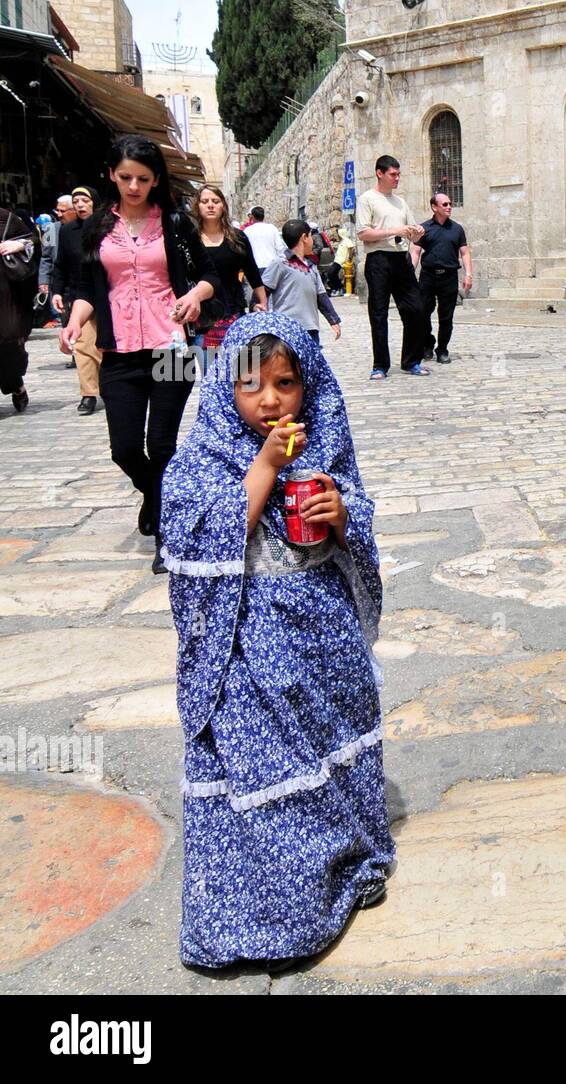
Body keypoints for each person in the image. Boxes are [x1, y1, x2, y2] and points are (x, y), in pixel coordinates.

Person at [160, 312, 394, 972]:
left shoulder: (325, 438)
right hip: (246, 638)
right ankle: (270, 910)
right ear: (224, 391)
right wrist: (266, 466)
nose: (269, 400)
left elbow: (359, 509)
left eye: (286, 383)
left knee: (330, 742)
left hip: (321, 628)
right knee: (265, 763)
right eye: (250, 386)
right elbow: (194, 534)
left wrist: (342, 513)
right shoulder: (203, 454)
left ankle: (348, 861)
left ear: (308, 384)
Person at [61, 135, 219, 574]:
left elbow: (208, 275)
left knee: (161, 444)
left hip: (171, 347)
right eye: (126, 177)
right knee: (125, 448)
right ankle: (155, 496)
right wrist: (75, 321)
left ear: (155, 180)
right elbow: (88, 289)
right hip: (119, 351)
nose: (133, 186)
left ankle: (166, 538)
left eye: (143, 179)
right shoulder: (97, 229)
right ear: (112, 175)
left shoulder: (174, 224)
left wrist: (195, 297)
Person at [356, 155, 429, 378]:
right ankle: (380, 365)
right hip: (378, 259)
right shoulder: (368, 199)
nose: (397, 178)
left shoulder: (400, 202)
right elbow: (363, 233)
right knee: (379, 313)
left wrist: (416, 231)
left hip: (400, 258)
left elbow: (410, 228)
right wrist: (394, 231)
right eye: (393, 174)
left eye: (399, 174)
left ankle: (411, 360)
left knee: (416, 308)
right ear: (380, 173)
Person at [193, 183, 267, 351]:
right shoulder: (191, 238)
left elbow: (253, 272)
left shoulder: (237, 237)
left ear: (223, 207)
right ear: (198, 206)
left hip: (234, 314)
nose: (210, 205)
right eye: (205, 201)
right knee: (210, 374)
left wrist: (263, 302)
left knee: (243, 373)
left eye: (215, 201)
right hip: (202, 319)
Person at [52, 187, 103, 414]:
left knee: (106, 346)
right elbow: (60, 264)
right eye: (76, 201)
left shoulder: (108, 228)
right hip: (79, 296)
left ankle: (111, 387)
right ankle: (88, 394)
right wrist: (56, 291)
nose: (80, 205)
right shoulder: (67, 231)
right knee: (82, 346)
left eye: (85, 200)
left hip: (107, 296)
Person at [412, 192, 472, 365]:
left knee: (446, 317)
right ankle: (427, 343)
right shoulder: (424, 229)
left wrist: (468, 275)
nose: (449, 207)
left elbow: (465, 252)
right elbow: (416, 252)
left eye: (450, 204)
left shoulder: (457, 229)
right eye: (444, 204)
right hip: (428, 276)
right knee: (422, 312)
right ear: (434, 207)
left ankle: (442, 349)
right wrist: (410, 274)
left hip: (449, 277)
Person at [261, 219, 341, 344]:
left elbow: (321, 296)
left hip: (310, 329)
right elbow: (263, 291)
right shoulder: (280, 263)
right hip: (286, 329)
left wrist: (333, 320)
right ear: (304, 237)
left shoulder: (311, 266)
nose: (313, 240)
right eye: (310, 236)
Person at [0, 205, 39, 414]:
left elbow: (34, 239)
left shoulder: (5, 218)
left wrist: (18, 244)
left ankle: (15, 383)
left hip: (6, 296)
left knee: (8, 345)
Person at [38, 197, 74, 327]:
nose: (58, 214)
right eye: (57, 210)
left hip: (81, 281)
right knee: (66, 319)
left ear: (74, 210)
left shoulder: (85, 227)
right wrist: (43, 281)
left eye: (62, 211)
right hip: (61, 282)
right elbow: (46, 257)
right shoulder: (51, 229)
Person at [241, 206, 287, 272]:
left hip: (254, 266)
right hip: (271, 266)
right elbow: (280, 248)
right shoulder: (272, 228)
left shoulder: (247, 231)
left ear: (252, 217)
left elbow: (244, 250)